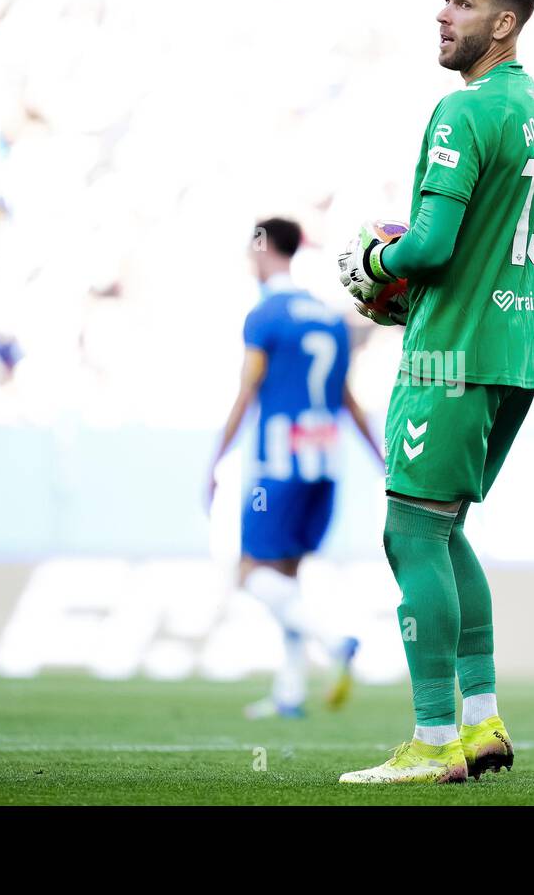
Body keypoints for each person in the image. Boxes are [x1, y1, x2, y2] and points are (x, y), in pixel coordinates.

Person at [336, 0, 534, 783]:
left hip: (448, 356)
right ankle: (481, 722)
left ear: (503, 24)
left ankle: (433, 743)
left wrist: (376, 259)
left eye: (463, 4)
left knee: (408, 531)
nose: (444, 15)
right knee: (444, 529)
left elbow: (430, 247)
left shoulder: (462, 111)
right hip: (515, 355)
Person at [210, 217, 383, 719]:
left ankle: (335, 640)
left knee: (249, 572)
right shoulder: (329, 316)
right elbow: (348, 398)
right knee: (288, 571)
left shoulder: (265, 316)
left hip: (278, 463)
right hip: (325, 461)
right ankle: (289, 693)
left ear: (264, 250)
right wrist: (379, 458)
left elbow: (248, 390)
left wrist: (217, 458)